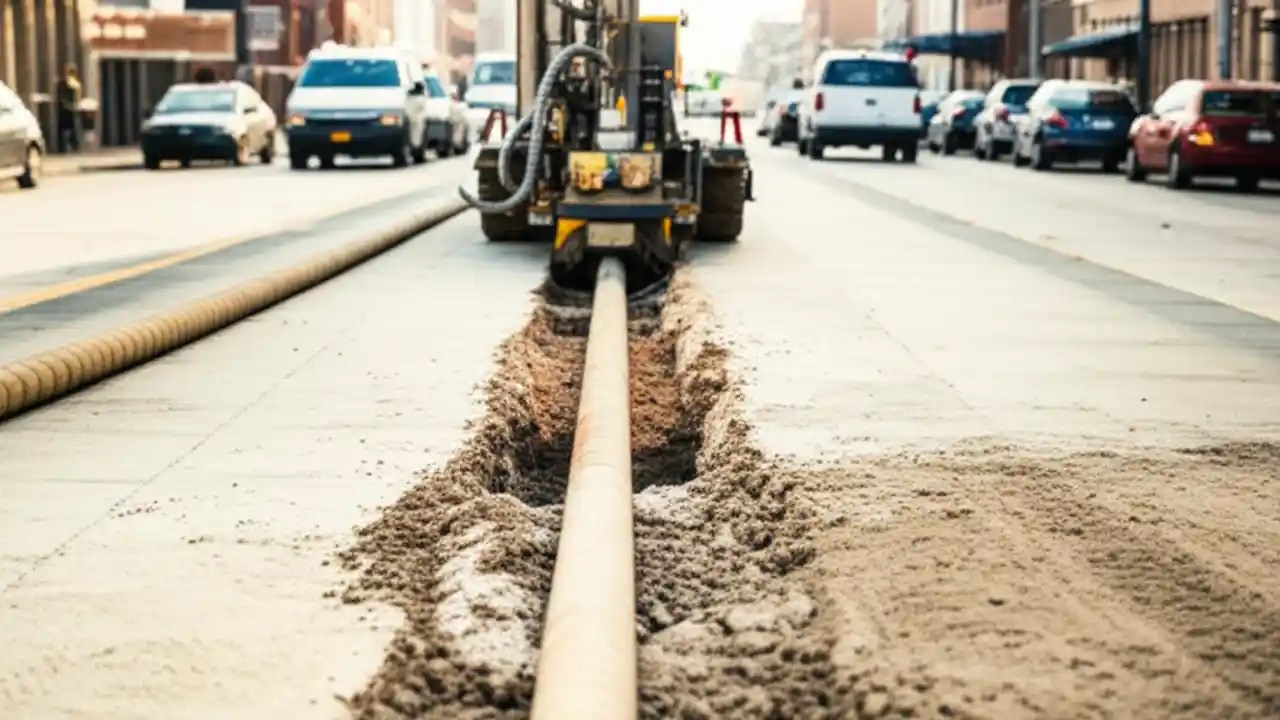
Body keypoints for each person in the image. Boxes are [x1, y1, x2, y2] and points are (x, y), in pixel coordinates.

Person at [56, 65, 82, 153]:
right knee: (72, 128)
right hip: (72, 108)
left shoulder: (66, 82)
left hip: (64, 108)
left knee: (63, 128)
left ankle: (63, 146)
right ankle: (74, 145)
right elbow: (78, 97)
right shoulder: (76, 84)